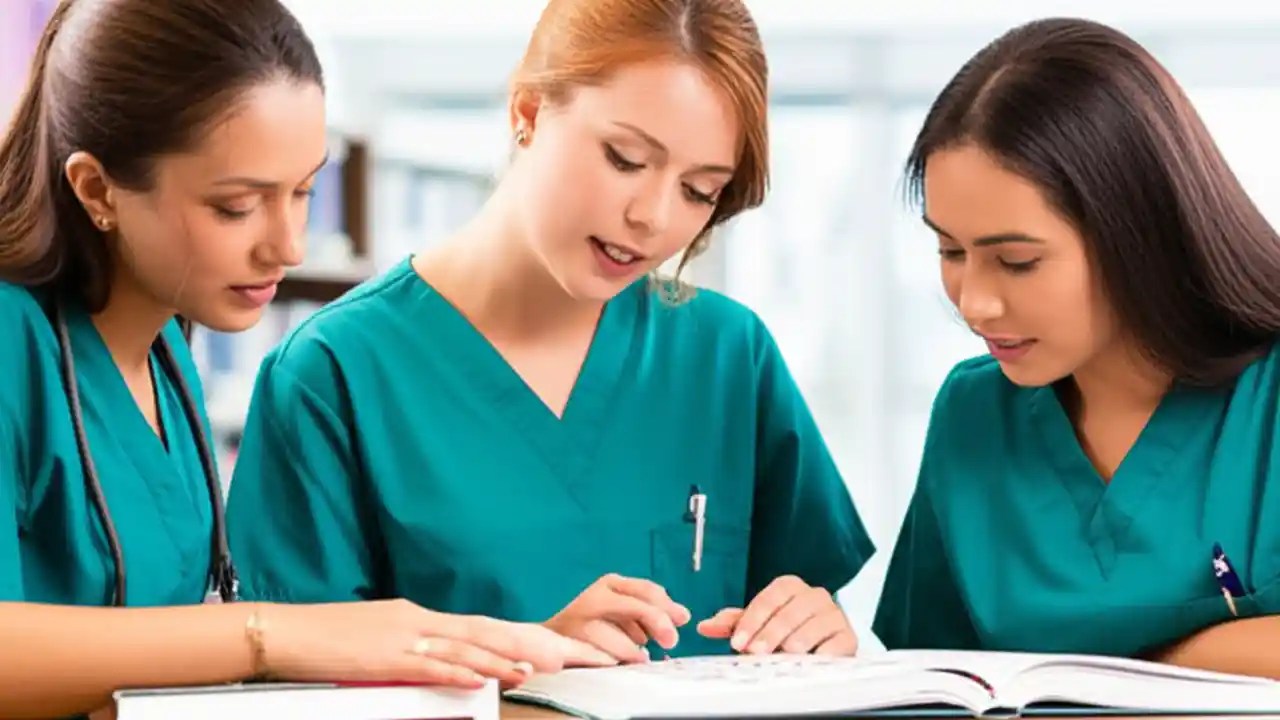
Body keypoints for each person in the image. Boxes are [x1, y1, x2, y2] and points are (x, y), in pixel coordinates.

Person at [0, 2, 610, 717]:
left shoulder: (165, 352)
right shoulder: (17, 339)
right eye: (237, 206)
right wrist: (269, 635)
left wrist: (494, 653)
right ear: (98, 190)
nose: (287, 246)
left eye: (303, 191)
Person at [226, 0, 875, 662]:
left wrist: (817, 626)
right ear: (529, 113)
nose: (651, 216)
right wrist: (520, 671)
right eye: (624, 159)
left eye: (699, 191)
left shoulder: (728, 356)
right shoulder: (333, 374)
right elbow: (295, 684)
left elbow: (800, 621)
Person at [871, 17, 1280, 678]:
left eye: (1017, 261)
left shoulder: (1269, 402)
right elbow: (931, 678)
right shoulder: (973, 416)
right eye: (949, 250)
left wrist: (1123, 667)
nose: (973, 302)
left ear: (1141, 231)